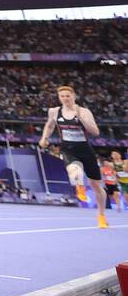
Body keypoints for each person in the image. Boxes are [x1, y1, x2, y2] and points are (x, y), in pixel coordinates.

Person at [39, 85, 108, 229]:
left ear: (74, 96)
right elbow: (50, 125)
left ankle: (101, 215)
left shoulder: (84, 111)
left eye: (68, 96)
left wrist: (81, 119)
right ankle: (79, 185)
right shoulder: (54, 111)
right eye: (62, 96)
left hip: (85, 150)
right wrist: (45, 137)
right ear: (59, 97)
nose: (65, 98)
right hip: (68, 149)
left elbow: (95, 132)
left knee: (96, 186)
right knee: (73, 169)